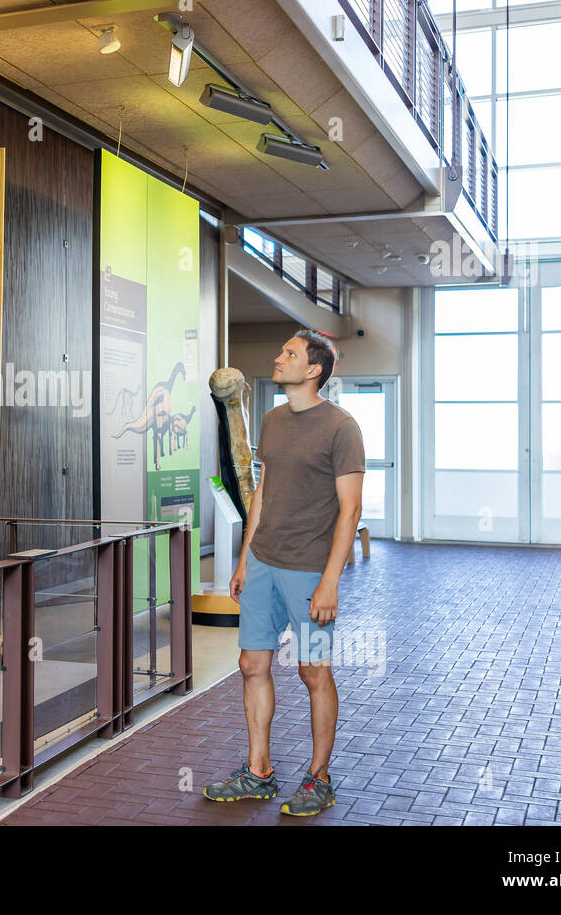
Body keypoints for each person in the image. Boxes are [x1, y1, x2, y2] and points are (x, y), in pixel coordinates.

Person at [202, 328, 365, 816]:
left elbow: (350, 511)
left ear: (313, 369)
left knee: (312, 670)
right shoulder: (272, 421)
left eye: (289, 354)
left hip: (308, 572)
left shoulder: (342, 428)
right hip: (264, 566)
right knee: (252, 665)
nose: (278, 358)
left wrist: (330, 581)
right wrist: (244, 557)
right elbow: (262, 495)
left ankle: (319, 777)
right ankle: (259, 771)